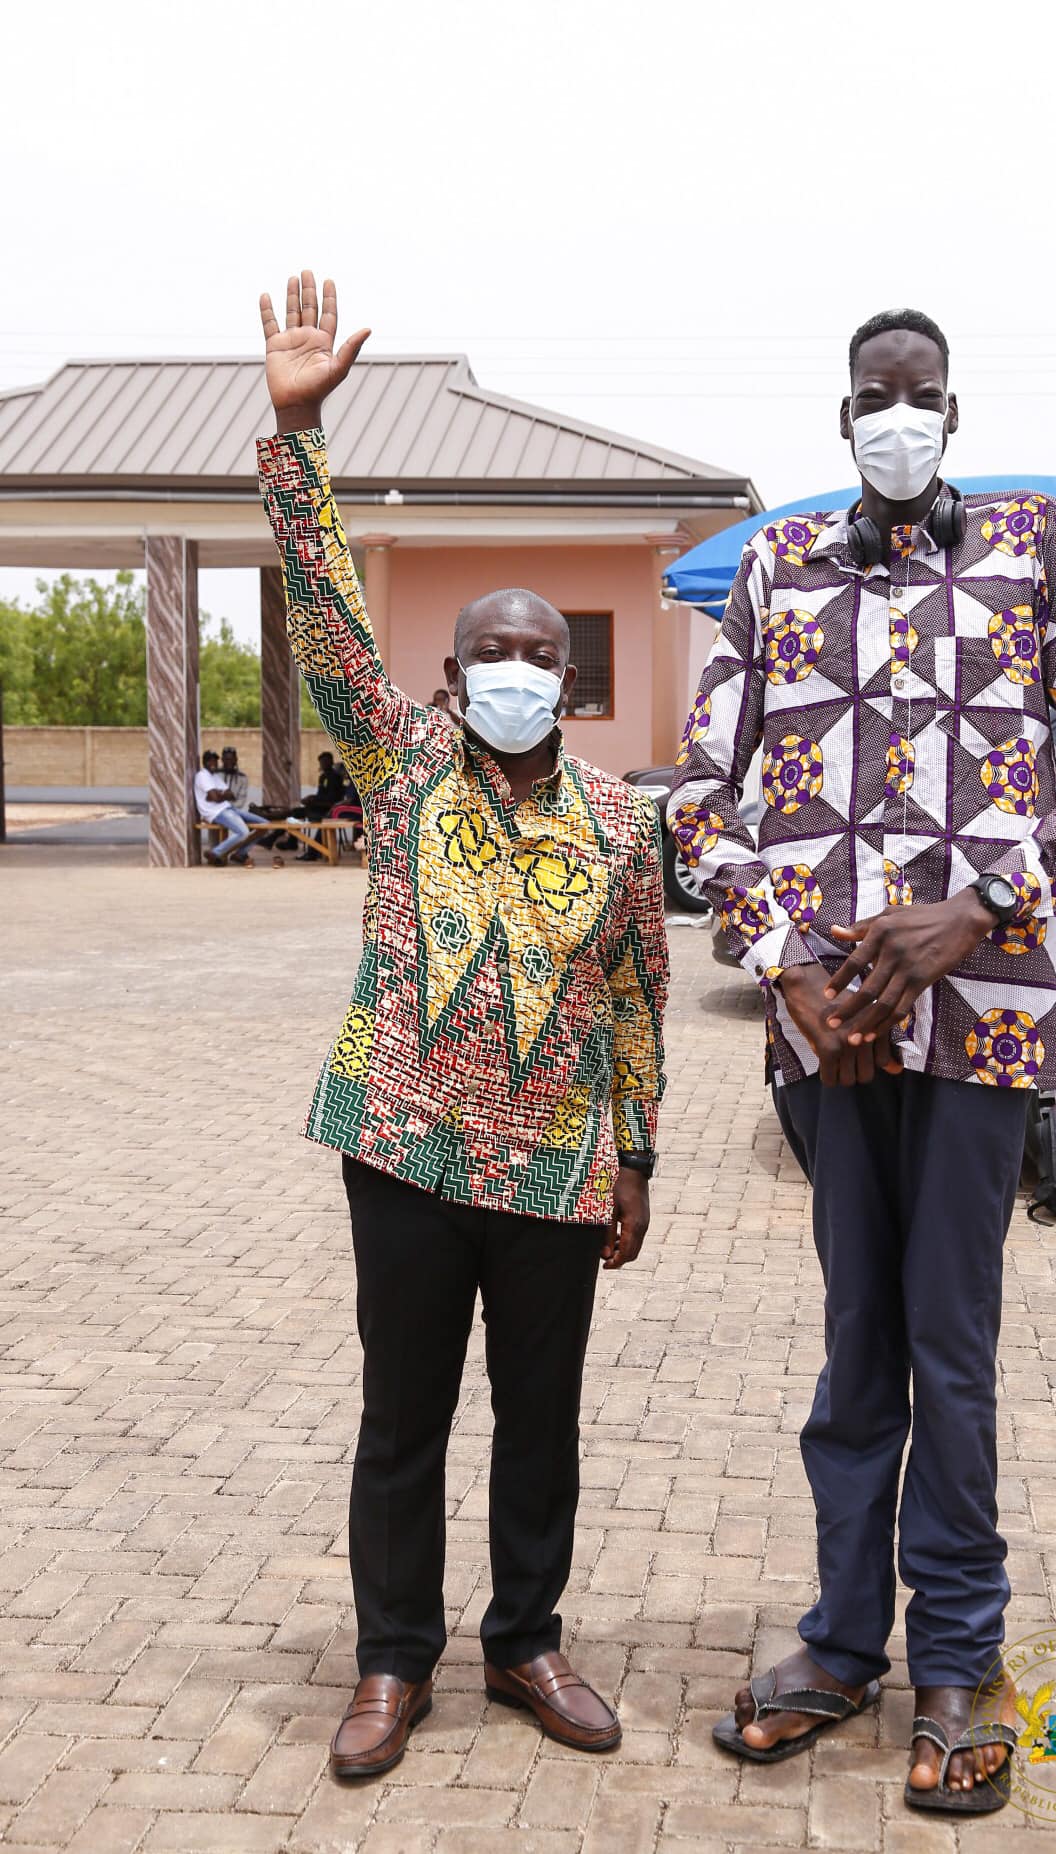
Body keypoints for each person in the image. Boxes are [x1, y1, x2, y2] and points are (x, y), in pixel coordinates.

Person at [670, 308, 1056, 1815]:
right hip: (832, 1035)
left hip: (985, 1011)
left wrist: (984, 904)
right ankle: (837, 1640)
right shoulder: (774, 568)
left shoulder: (1035, 549)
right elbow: (699, 794)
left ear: (952, 410)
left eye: (921, 396)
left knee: (953, 1346)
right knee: (855, 1342)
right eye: (875, 399)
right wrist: (787, 962)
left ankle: (958, 1656)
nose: (899, 417)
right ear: (843, 417)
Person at [257, 271, 668, 1780]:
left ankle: (528, 1640)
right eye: (494, 653)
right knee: (403, 1413)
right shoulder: (404, 762)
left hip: (558, 1169)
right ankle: (389, 1660)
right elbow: (324, 617)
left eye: (543, 655)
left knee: (540, 1419)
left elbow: (634, 992)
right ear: (448, 680)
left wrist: (640, 1156)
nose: (518, 671)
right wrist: (298, 439)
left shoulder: (623, 826)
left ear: (570, 681)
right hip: (408, 1154)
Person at [194, 749, 270, 866]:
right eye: (210, 761)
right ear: (205, 762)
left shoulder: (214, 776)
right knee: (243, 832)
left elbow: (230, 795)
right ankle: (215, 852)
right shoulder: (202, 776)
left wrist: (218, 795)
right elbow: (215, 797)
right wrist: (219, 795)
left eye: (215, 761)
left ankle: (240, 853)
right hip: (216, 812)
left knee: (265, 825)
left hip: (229, 808)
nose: (213, 763)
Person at [293, 751, 348, 858]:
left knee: (298, 813)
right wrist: (312, 799)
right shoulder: (323, 777)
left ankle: (312, 852)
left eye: (325, 762)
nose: (323, 764)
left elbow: (332, 799)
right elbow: (320, 794)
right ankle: (291, 842)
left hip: (328, 808)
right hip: (320, 806)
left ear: (331, 762)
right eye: (321, 762)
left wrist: (313, 799)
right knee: (294, 813)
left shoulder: (335, 777)